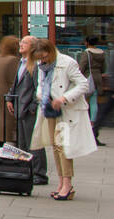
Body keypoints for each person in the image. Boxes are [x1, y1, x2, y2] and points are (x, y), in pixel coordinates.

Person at [28, 37, 96, 201]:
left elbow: (83, 84)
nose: (42, 60)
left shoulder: (67, 62)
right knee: (55, 146)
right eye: (39, 58)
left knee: (63, 147)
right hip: (49, 110)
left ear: (50, 51)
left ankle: (67, 184)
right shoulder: (41, 65)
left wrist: (64, 98)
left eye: (44, 57)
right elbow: (41, 85)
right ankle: (62, 183)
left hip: (66, 111)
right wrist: (41, 96)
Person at [8, 36, 48, 186]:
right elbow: (15, 82)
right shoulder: (21, 62)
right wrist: (9, 99)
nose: (21, 44)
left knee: (35, 142)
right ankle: (26, 170)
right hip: (19, 106)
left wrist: (33, 107)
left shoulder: (36, 65)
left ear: (32, 47)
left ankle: (40, 174)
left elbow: (39, 87)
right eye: (21, 42)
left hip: (30, 109)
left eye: (25, 42)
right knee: (22, 143)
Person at [77, 36, 105, 144]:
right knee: (94, 103)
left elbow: (82, 67)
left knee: (83, 102)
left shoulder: (87, 53)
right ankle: (93, 125)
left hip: (87, 79)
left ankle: (84, 126)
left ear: (87, 43)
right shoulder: (101, 53)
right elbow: (104, 68)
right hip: (97, 79)